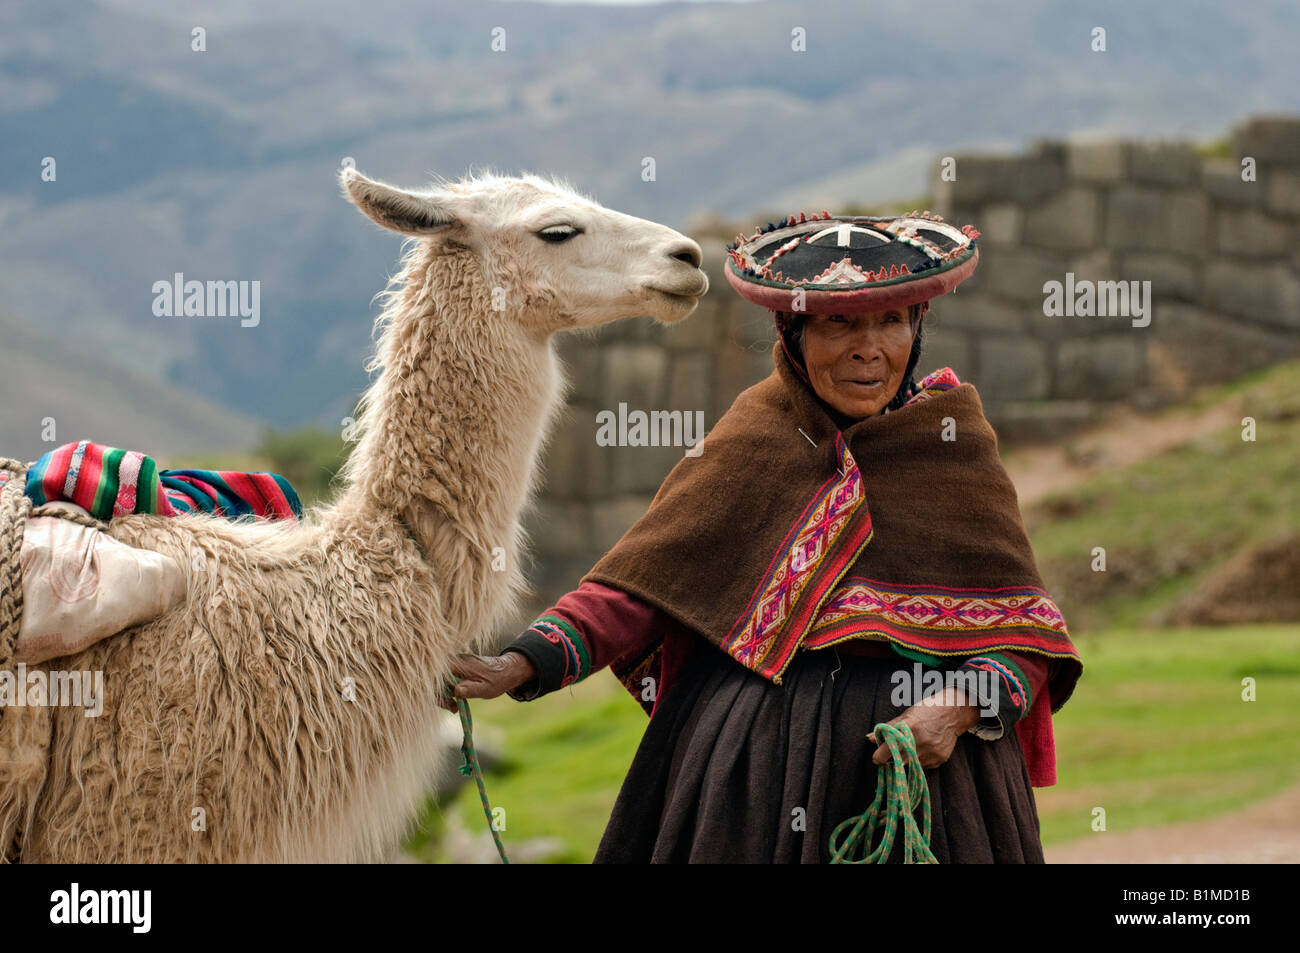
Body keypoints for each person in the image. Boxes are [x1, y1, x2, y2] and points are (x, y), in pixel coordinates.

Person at [440, 210, 1083, 863]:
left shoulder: (955, 449)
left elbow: (1026, 636)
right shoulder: (752, 440)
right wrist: (517, 663)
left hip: (933, 783)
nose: (869, 347)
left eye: (890, 320)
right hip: (751, 783)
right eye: (837, 322)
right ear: (793, 331)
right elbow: (643, 589)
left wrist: (958, 706)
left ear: (916, 328)